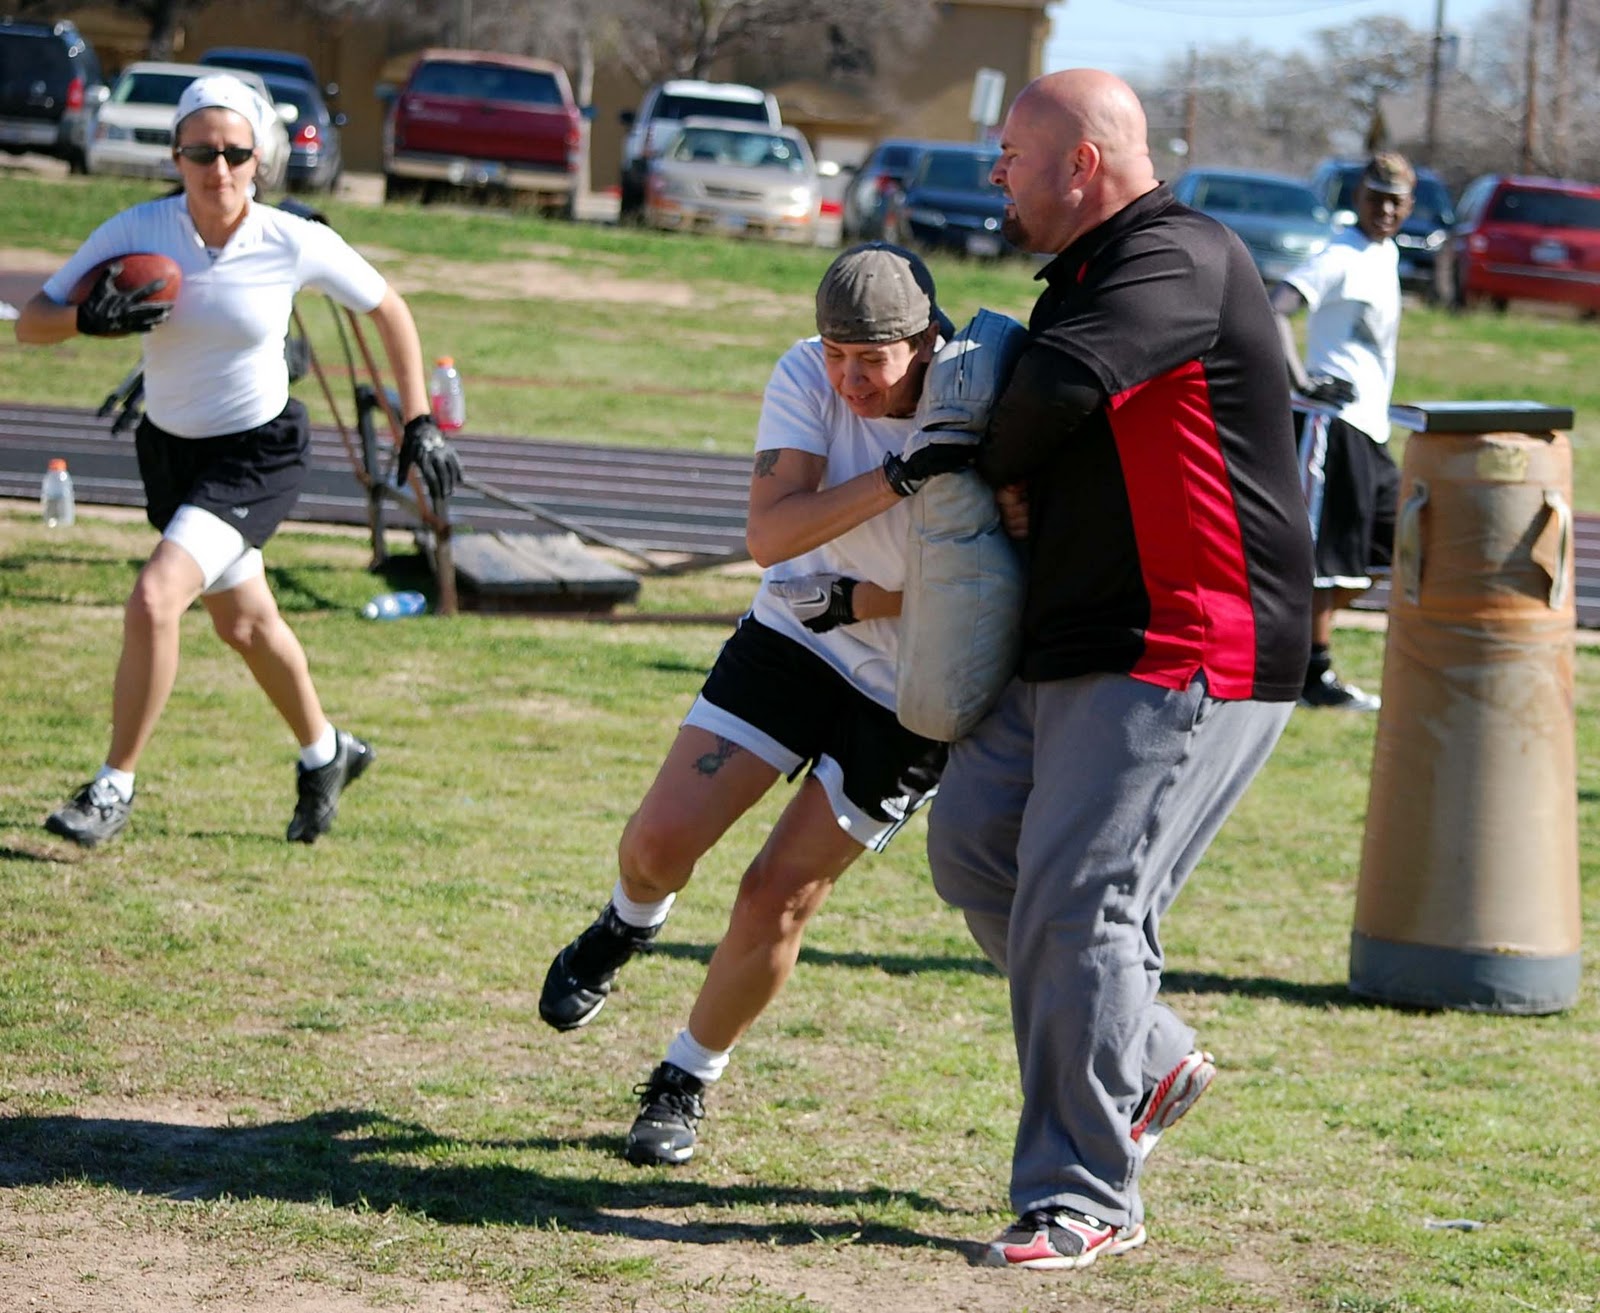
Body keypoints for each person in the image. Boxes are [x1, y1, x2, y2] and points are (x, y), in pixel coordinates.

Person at [924, 69, 1314, 1271]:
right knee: (975, 848)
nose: (996, 174)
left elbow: (1050, 392)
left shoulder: (1174, 253)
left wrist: (987, 461)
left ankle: (1083, 1191)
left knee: (1080, 901)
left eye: (1010, 154)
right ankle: (1142, 1056)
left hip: (1188, 644)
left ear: (1081, 163)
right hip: (1079, 638)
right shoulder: (1087, 274)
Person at [537, 242, 971, 1167]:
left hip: (913, 682)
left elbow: (989, 586)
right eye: (836, 355)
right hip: (799, 634)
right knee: (658, 843)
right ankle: (626, 922)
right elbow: (772, 535)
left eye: (872, 360)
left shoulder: (981, 400)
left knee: (777, 894)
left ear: (928, 341)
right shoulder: (805, 374)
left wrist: (867, 598)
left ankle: (685, 1076)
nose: (849, 380)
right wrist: (896, 478)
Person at [15, 74, 462, 849]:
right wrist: (86, 318)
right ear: (176, 156)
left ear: (261, 160)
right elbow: (32, 322)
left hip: (258, 454)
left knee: (155, 597)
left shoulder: (290, 238)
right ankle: (327, 751)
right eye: (200, 152)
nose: (217, 168)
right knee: (247, 624)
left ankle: (113, 785)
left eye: (234, 153)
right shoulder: (138, 230)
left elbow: (389, 308)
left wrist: (418, 421)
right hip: (171, 453)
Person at [1270, 151, 1415, 711]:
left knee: (1388, 545)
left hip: (1371, 427)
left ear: (1409, 206)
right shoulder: (1339, 256)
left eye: (1396, 202)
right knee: (1327, 560)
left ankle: (1294, 650)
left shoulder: (1387, 252)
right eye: (1376, 199)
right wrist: (1302, 380)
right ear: (1358, 198)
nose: (1385, 211)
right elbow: (1276, 308)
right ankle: (1313, 674)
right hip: (1333, 424)